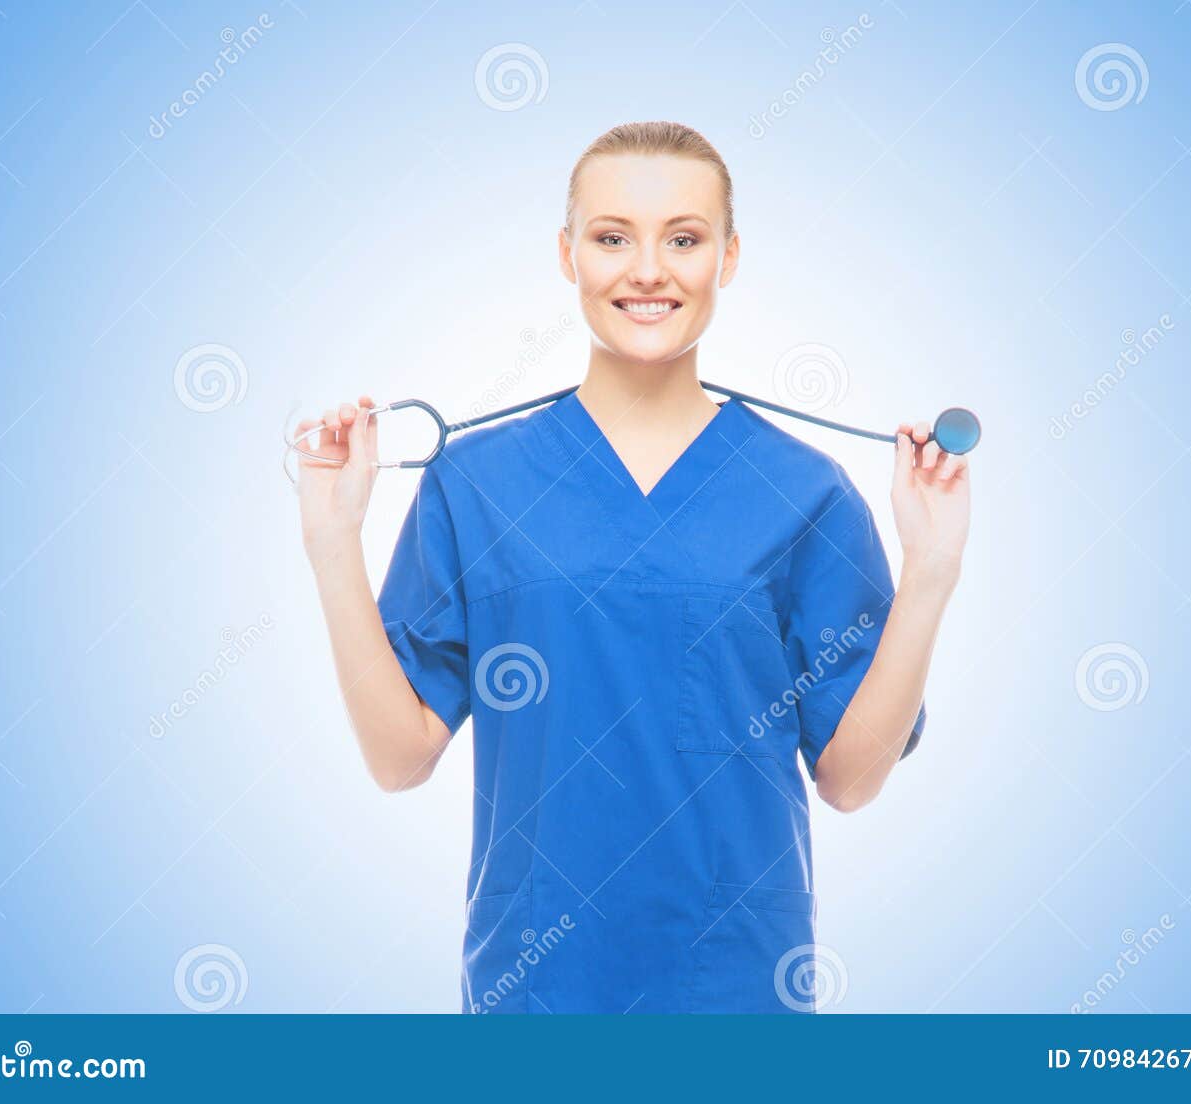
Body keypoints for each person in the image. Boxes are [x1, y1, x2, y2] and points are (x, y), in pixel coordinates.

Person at [293, 121, 971, 1013]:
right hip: (535, 995)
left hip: (737, 992)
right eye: (612, 238)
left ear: (728, 257)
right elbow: (397, 757)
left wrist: (931, 570)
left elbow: (851, 779)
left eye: (683, 240)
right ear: (567, 253)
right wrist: (332, 540)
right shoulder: (478, 483)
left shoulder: (805, 492)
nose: (648, 271)